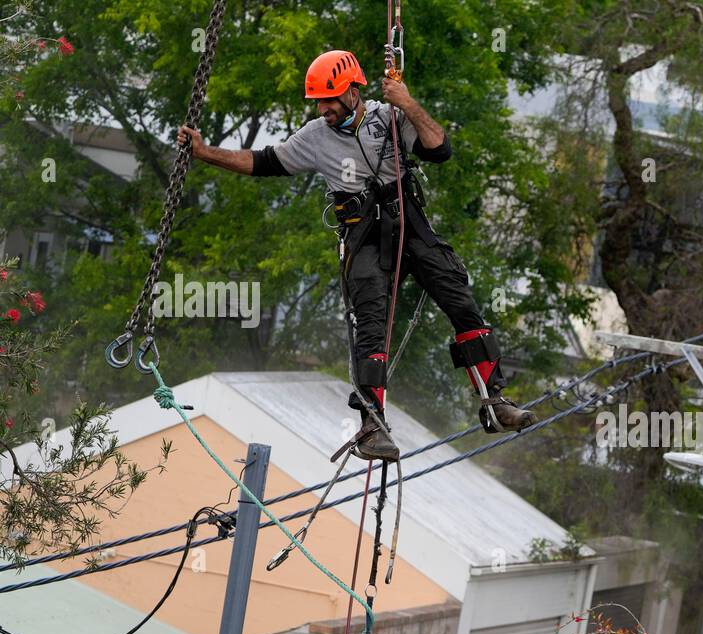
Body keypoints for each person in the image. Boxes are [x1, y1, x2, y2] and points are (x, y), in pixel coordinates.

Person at [177, 49, 535, 461]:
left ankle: (495, 403)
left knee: (461, 302)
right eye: (318, 101)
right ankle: (371, 424)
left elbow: (439, 150)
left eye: (330, 98)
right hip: (363, 234)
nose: (324, 108)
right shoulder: (314, 136)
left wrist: (407, 103)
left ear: (352, 91)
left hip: (409, 224)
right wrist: (206, 154)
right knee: (371, 323)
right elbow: (262, 162)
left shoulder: (389, 118)